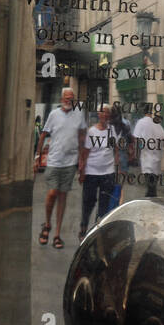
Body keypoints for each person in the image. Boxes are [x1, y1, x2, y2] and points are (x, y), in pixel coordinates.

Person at [34, 86, 85, 249]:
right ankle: (47, 224)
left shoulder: (79, 114)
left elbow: (82, 137)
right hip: (54, 161)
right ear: (62, 99)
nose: (69, 100)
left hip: (70, 163)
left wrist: (83, 161)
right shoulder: (54, 114)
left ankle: (56, 234)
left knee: (63, 196)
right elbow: (43, 134)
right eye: (66, 97)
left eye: (71, 97)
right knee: (52, 193)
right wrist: (37, 156)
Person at [78, 105, 118, 239]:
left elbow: (116, 149)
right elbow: (86, 152)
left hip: (108, 172)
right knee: (88, 202)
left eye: (107, 113)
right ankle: (83, 227)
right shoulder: (92, 131)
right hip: (92, 173)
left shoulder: (112, 130)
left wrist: (116, 167)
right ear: (99, 115)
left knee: (104, 203)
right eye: (103, 113)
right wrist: (82, 171)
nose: (105, 115)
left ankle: (97, 230)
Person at [132, 102, 164, 198]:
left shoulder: (141, 123)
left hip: (147, 160)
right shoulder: (158, 124)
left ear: (143, 111)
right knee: (152, 188)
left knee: (151, 190)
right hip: (157, 161)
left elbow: (136, 139)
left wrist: (135, 155)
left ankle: (150, 208)